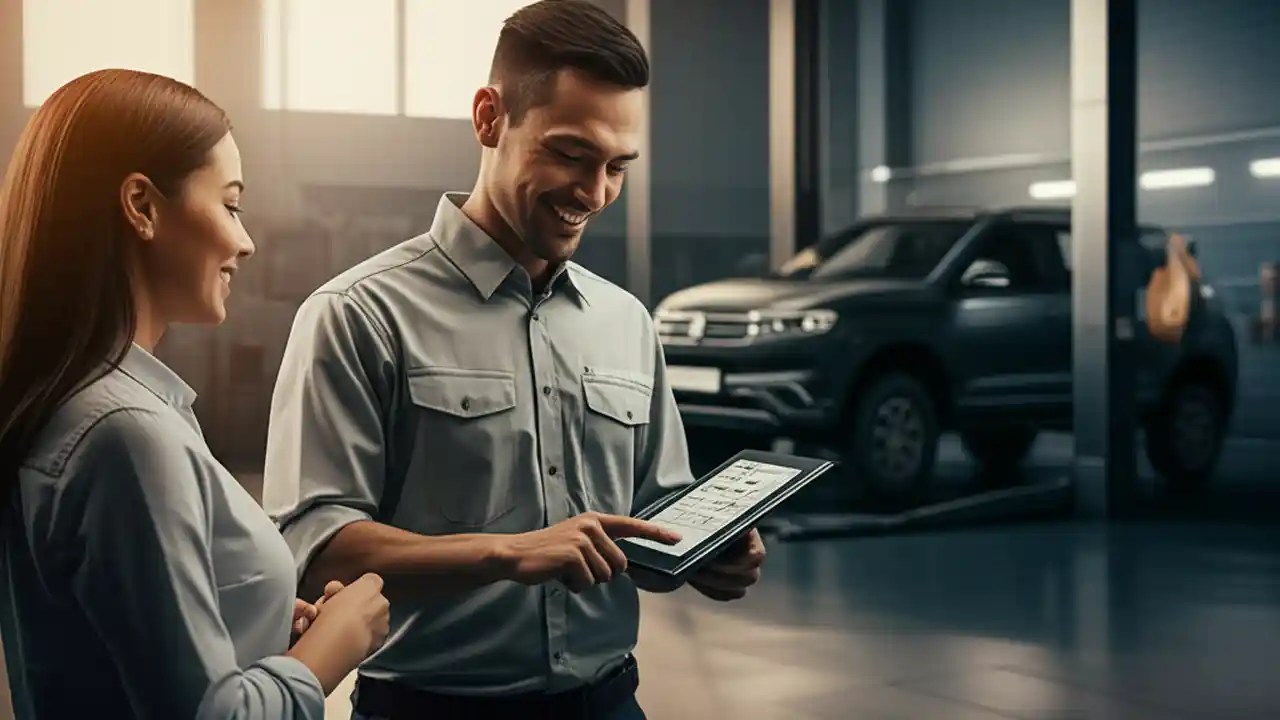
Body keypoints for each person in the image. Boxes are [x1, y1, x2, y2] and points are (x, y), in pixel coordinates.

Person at [262, 2, 766, 718]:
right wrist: (508, 553)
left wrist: (705, 553)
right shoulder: (359, 315)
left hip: (610, 704)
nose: (595, 193)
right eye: (571, 154)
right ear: (489, 117)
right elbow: (314, 553)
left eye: (617, 167)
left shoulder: (626, 323)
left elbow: (652, 526)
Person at [0, 69, 391, 719]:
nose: (246, 241)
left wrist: (255, 622)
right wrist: (335, 644)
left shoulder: (77, 409)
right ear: (142, 206)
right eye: (231, 205)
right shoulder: (126, 435)